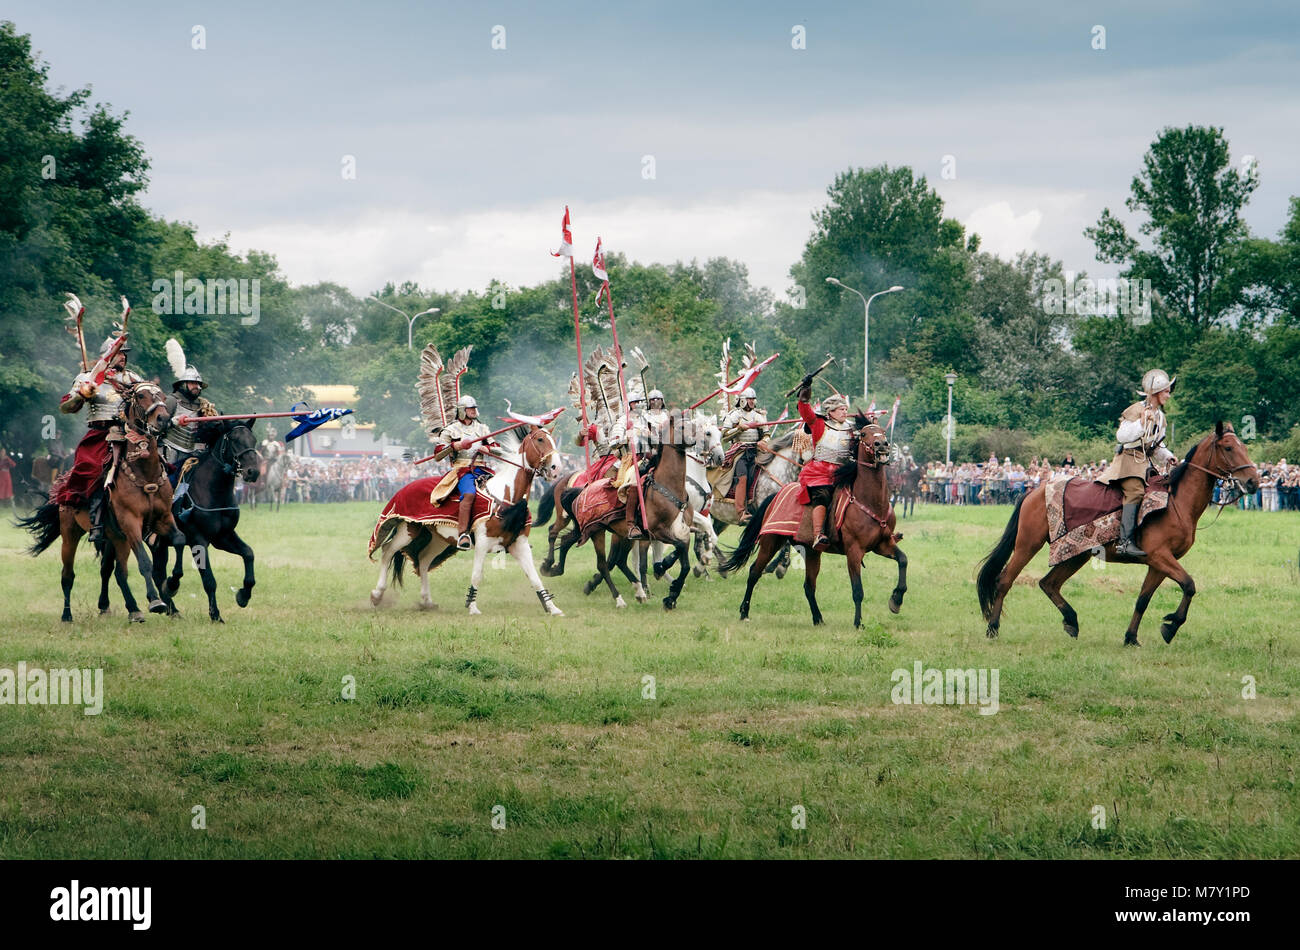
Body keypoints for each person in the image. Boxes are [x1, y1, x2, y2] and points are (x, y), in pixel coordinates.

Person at [54, 336, 143, 541]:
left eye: (124, 353)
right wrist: (82, 395)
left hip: (130, 433)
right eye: (119, 353)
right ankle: (96, 520)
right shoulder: (88, 377)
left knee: (157, 462)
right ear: (108, 356)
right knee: (94, 469)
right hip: (100, 435)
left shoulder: (133, 378)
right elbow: (66, 407)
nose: (123, 357)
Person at [1096, 368, 1177, 557]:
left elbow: (1157, 446)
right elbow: (1122, 436)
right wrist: (1141, 423)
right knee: (1135, 492)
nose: (1168, 395)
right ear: (1156, 392)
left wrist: (1167, 456)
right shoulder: (1136, 409)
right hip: (1128, 461)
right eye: (1166, 391)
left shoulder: (1160, 416)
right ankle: (1125, 543)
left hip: (1145, 463)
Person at [434, 394, 503, 549]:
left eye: (474, 408)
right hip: (462, 470)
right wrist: (454, 446)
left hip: (483, 469)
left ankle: (505, 532)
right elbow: (437, 454)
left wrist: (487, 448)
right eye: (470, 408)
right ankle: (463, 534)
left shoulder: (482, 428)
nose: (473, 411)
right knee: (470, 494)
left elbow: (498, 449)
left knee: (502, 492)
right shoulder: (450, 430)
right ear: (462, 410)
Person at [795, 378, 853, 550]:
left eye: (845, 409)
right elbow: (805, 409)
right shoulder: (819, 423)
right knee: (823, 495)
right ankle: (818, 534)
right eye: (841, 409)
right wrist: (806, 389)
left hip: (843, 471)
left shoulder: (850, 427)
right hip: (820, 472)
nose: (845, 412)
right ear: (831, 412)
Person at [162, 364, 217, 504]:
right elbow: (156, 427)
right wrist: (173, 422)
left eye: (198, 384)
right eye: (193, 383)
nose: (197, 387)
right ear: (183, 384)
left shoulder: (203, 405)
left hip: (192, 453)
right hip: (169, 451)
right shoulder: (172, 401)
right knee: (166, 484)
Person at [721, 387, 769, 523]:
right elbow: (724, 436)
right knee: (743, 479)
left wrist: (763, 441)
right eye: (749, 399)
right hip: (739, 452)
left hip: (755, 451)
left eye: (753, 399)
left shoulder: (759, 416)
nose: (752, 402)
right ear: (742, 401)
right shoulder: (734, 415)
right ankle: (741, 511)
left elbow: (766, 434)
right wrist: (739, 428)